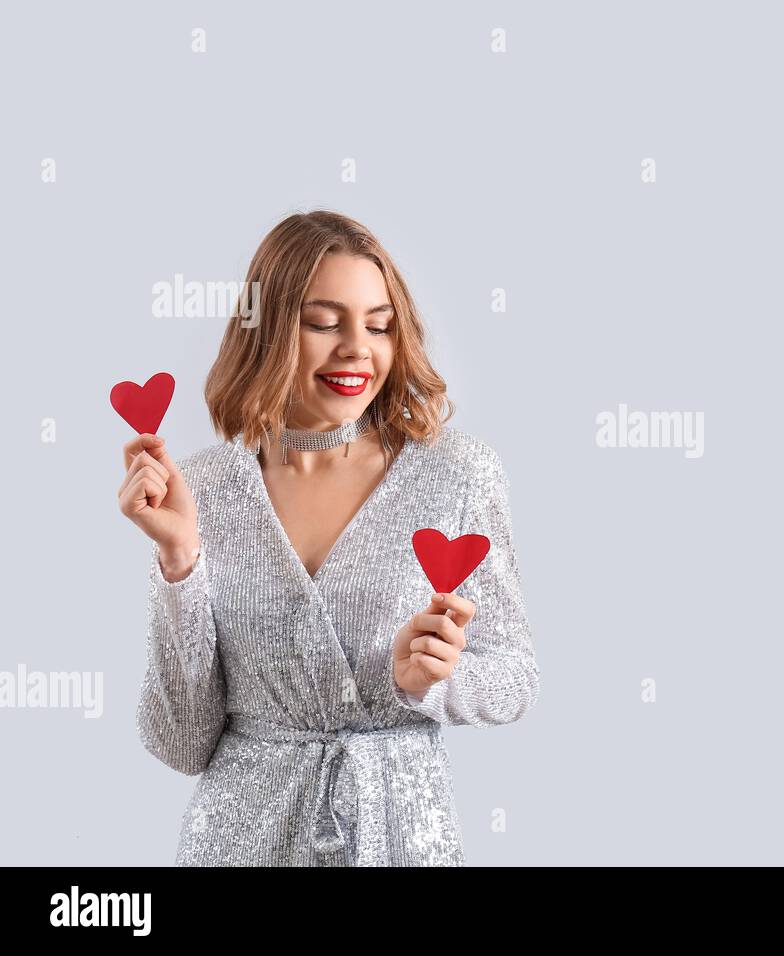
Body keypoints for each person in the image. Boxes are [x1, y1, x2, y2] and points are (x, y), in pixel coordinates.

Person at [117, 210, 540, 865]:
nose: (357, 349)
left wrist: (434, 680)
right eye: (323, 323)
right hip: (240, 843)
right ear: (269, 329)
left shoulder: (455, 472)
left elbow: (515, 680)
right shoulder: (198, 487)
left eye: (379, 325)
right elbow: (179, 744)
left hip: (398, 839)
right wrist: (178, 561)